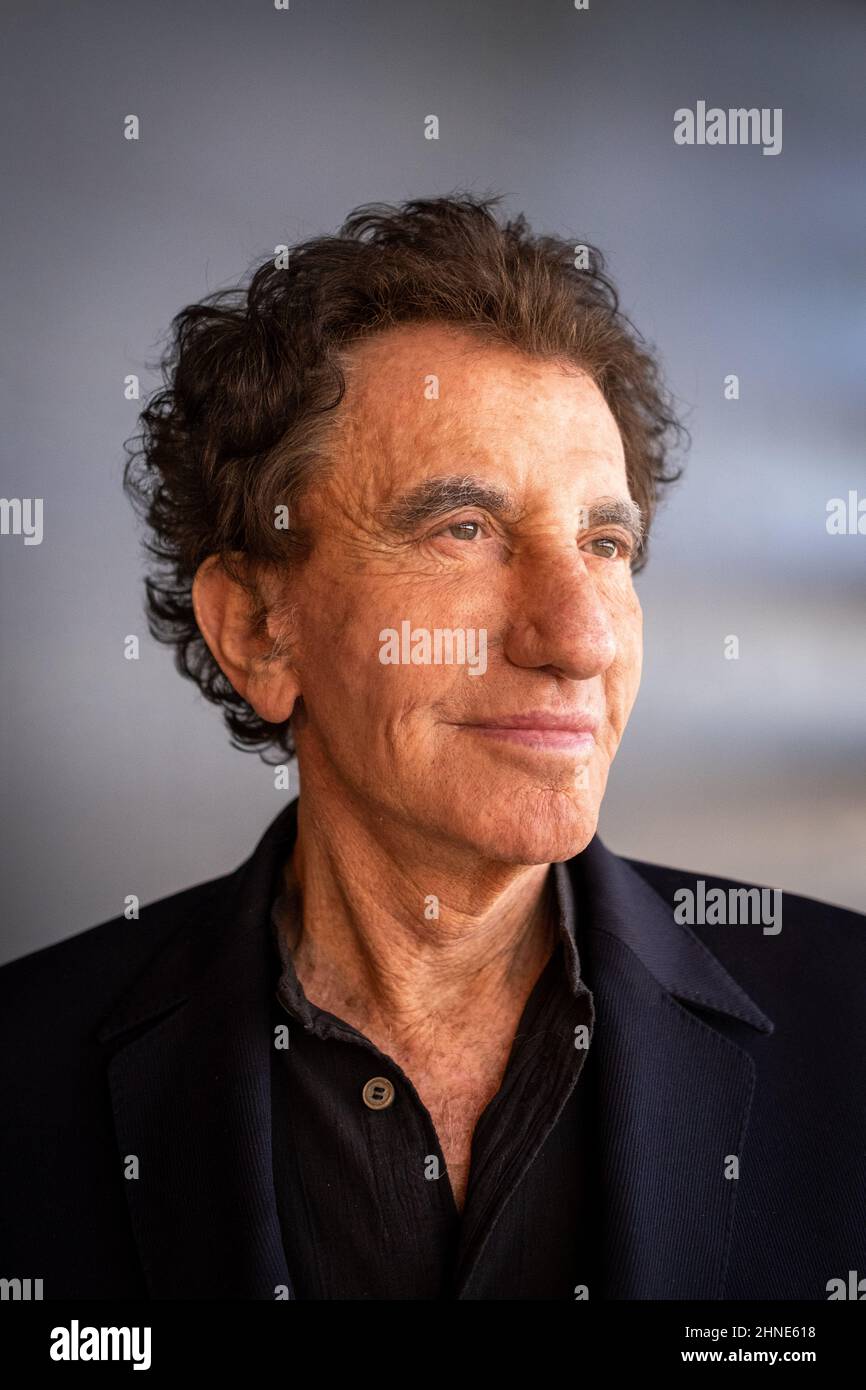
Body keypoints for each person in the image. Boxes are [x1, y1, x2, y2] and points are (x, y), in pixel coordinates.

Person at [1, 195, 863, 1300]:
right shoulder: (23, 1075)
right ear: (261, 631)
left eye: (604, 543)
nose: (579, 635)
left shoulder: (850, 1025)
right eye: (463, 532)